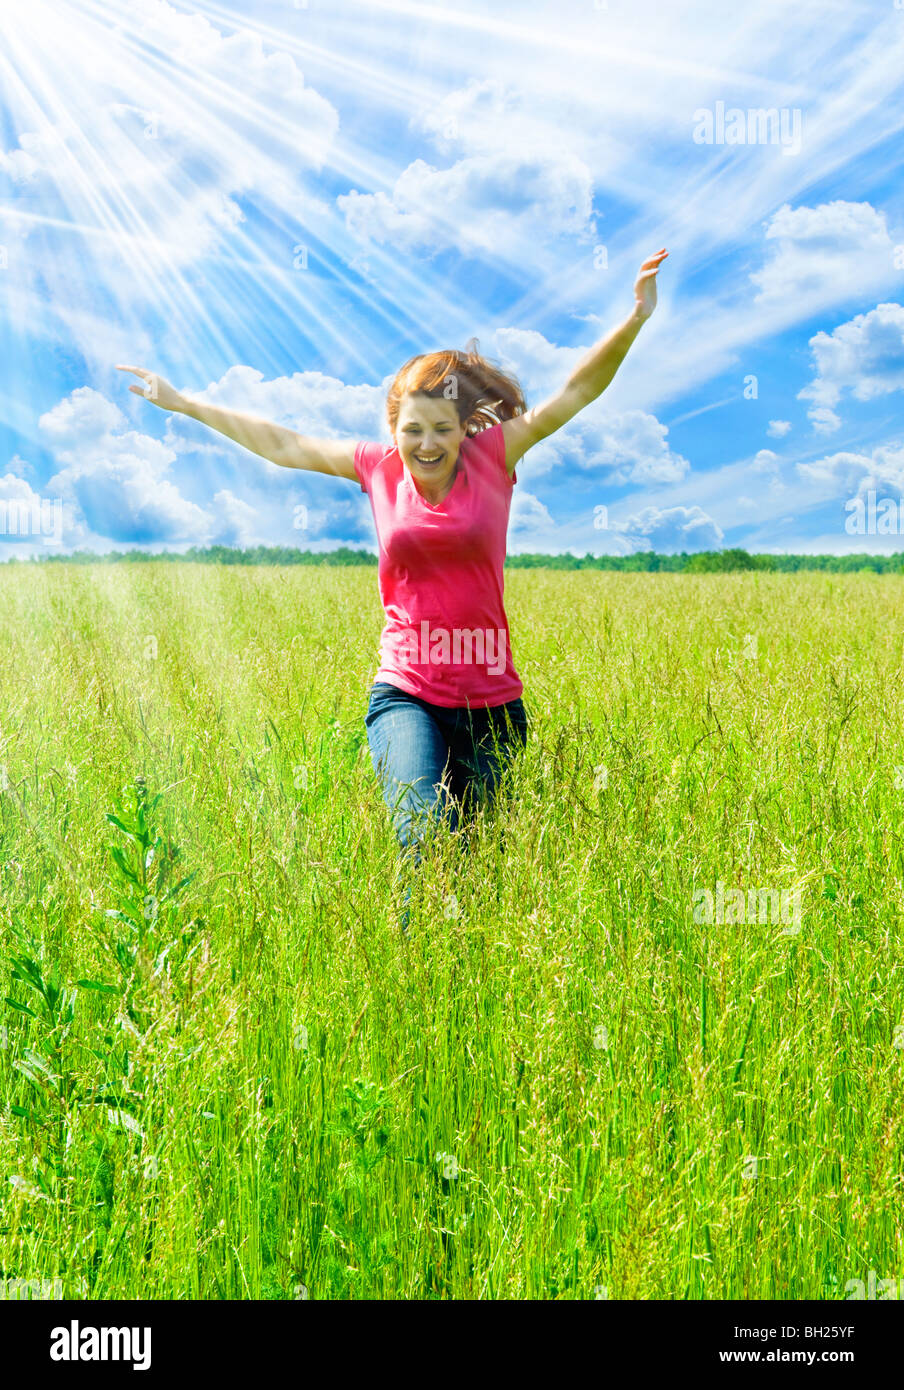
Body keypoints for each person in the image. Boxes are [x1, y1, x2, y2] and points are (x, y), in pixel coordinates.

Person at [116, 247, 667, 931]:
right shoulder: (376, 469)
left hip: (493, 701)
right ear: (393, 429)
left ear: (465, 429)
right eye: (413, 430)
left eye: (442, 429)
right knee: (425, 836)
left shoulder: (495, 459)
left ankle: (460, 989)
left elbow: (575, 393)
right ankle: (415, 967)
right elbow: (283, 444)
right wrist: (186, 403)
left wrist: (635, 317)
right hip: (406, 691)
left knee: (482, 866)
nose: (427, 443)